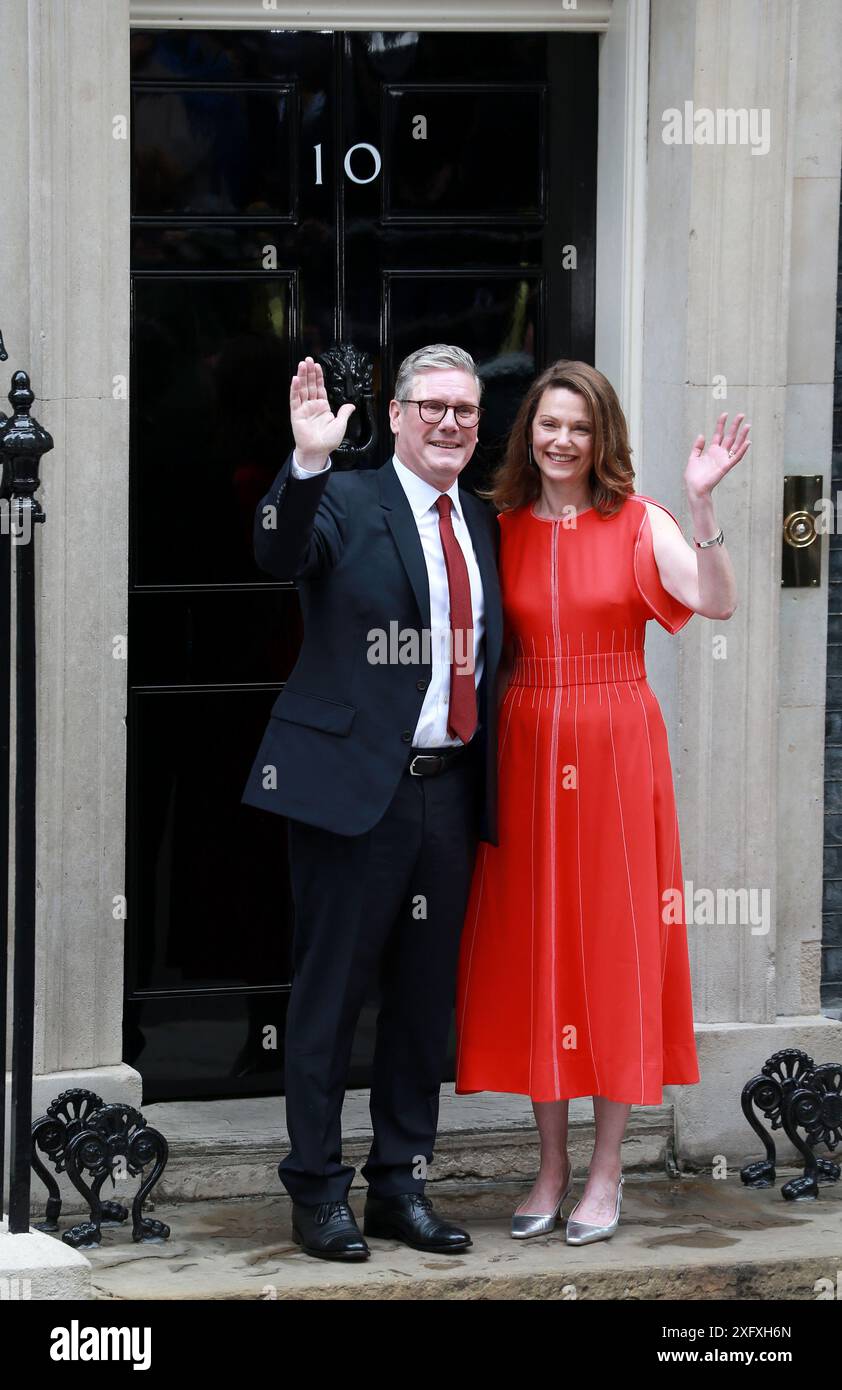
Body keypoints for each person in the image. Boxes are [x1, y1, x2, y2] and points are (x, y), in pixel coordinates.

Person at [454, 360, 749, 1246]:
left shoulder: (639, 521)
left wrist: (700, 506)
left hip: (616, 747)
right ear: (527, 432)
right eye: (548, 424)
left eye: (579, 427)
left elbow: (717, 602)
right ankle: (549, 1166)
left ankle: (608, 1169)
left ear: (602, 437)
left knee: (614, 950)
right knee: (541, 948)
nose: (561, 441)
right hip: (524, 743)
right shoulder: (499, 526)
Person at [241, 345, 503, 1260]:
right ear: (394, 415)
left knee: (424, 1007)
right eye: (430, 406)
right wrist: (308, 457)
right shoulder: (346, 499)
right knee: (329, 1000)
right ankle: (317, 1190)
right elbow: (275, 551)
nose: (449, 424)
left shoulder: (482, 518)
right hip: (354, 793)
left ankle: (402, 1184)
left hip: (448, 791)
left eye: (465, 410)